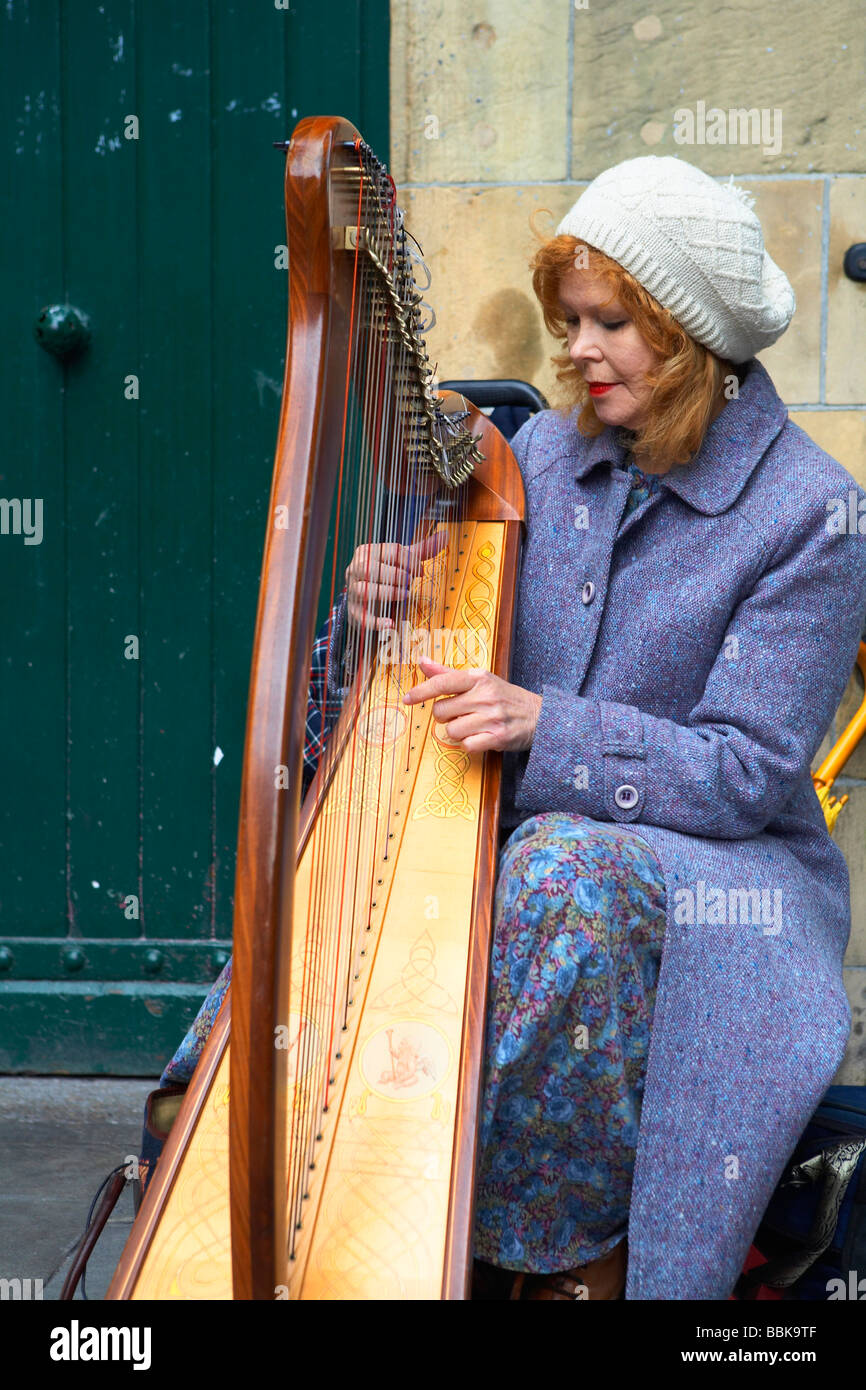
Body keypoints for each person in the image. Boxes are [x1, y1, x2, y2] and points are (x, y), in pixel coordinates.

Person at [161, 155, 866, 1300]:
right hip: (521, 825)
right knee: (353, 876)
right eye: (566, 321)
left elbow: (748, 773)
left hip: (722, 874)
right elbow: (421, 689)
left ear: (690, 334)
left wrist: (550, 726)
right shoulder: (540, 459)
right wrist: (370, 615)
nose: (574, 351)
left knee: (555, 873)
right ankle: (210, 1125)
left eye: (610, 324)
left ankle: (548, 1258)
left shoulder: (808, 518)